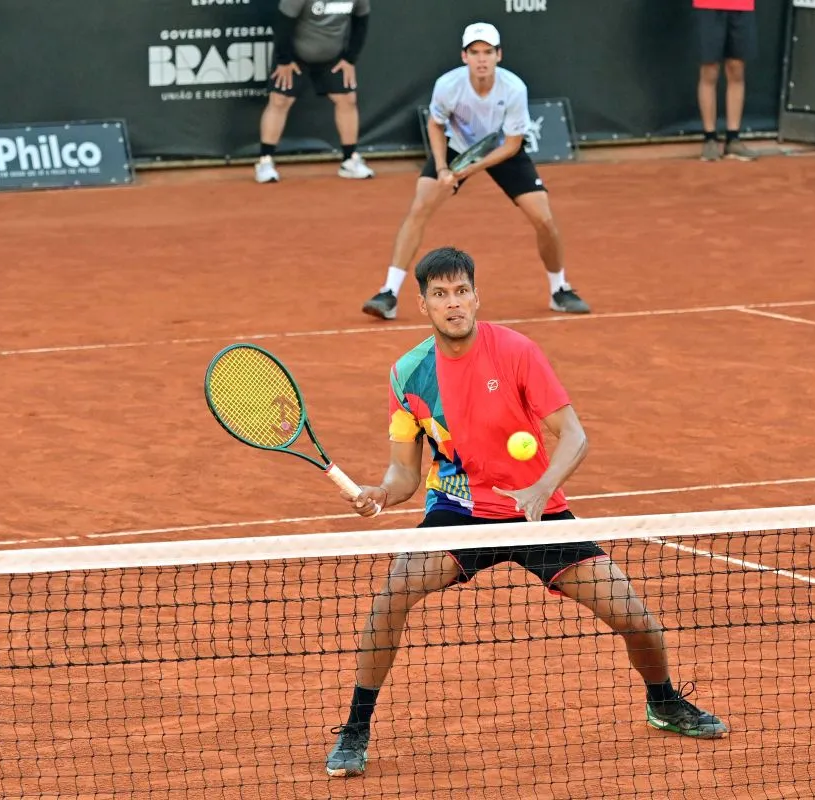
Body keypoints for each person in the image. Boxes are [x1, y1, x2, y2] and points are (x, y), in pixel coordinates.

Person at [326, 246, 728, 778]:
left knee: (639, 622)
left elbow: (574, 435)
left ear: (476, 295)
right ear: (422, 304)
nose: (454, 304)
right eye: (440, 295)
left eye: (462, 291)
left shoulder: (516, 351)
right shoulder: (408, 374)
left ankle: (663, 700)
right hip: (461, 512)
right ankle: (355, 729)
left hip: (537, 511)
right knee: (393, 596)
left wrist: (541, 487)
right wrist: (380, 491)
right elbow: (404, 471)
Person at [360, 22, 590, 321]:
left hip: (500, 150)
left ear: (499, 55)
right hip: (456, 147)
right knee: (419, 207)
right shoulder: (448, 86)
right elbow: (435, 124)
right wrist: (443, 167)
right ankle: (388, 293)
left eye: (488, 52)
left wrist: (468, 168)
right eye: (475, 52)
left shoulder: (514, 89)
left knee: (544, 219)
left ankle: (560, 290)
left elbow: (512, 144)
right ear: (464, 56)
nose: (482, 58)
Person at [255, 0, 375, 183]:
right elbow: (283, 23)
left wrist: (350, 59)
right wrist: (284, 60)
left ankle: (349, 160)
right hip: (294, 55)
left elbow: (361, 22)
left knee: (347, 99)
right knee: (280, 100)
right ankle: (265, 162)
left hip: (332, 57)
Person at [694, 0, 758, 162]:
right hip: (708, 6)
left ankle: (733, 139)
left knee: (736, 68)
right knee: (710, 70)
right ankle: (709, 139)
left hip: (741, 6)